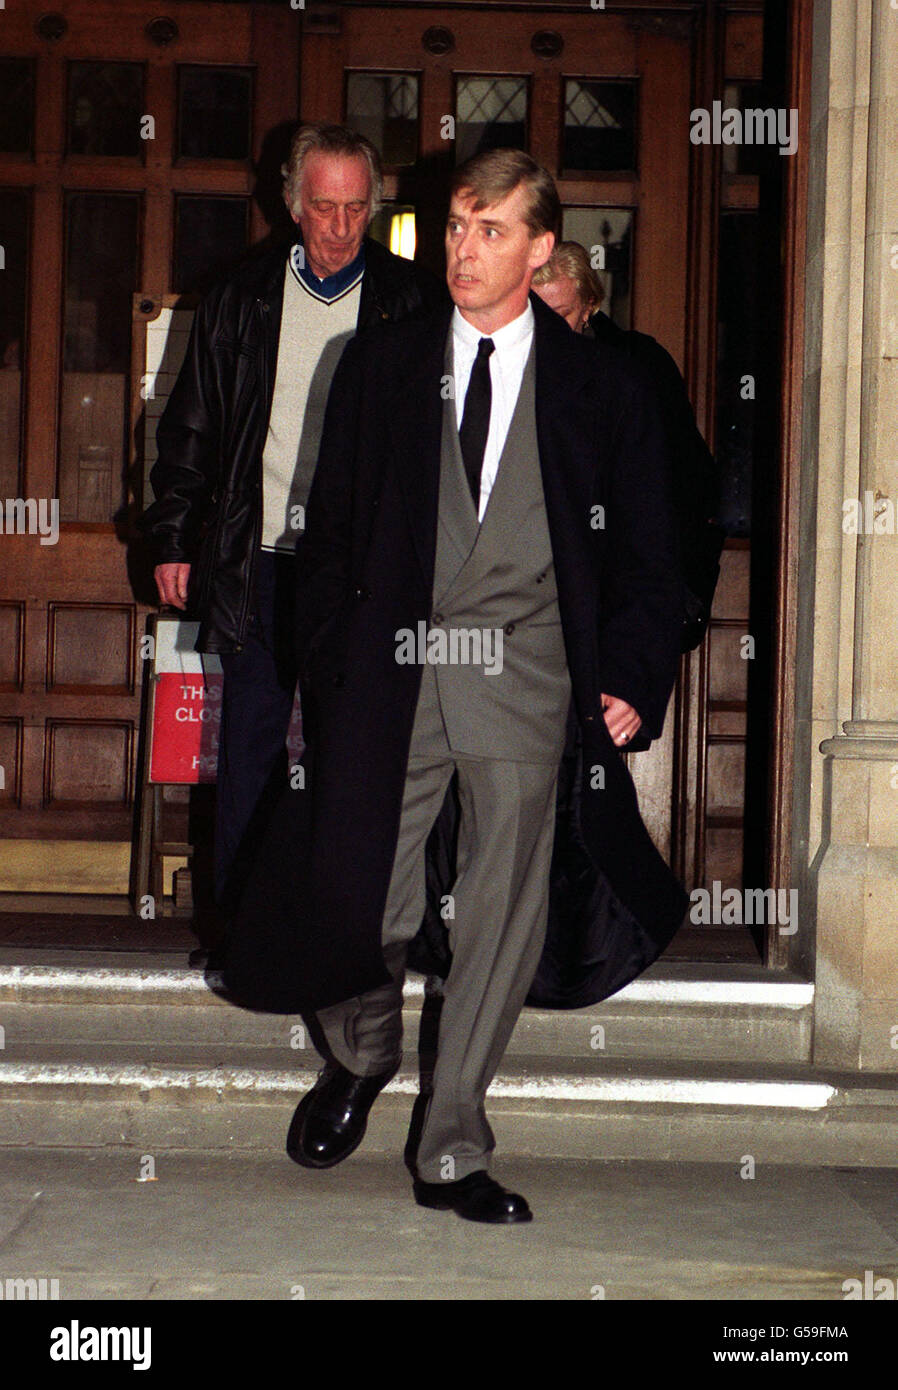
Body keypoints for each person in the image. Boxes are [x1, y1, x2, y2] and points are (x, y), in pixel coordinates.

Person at [222, 149, 689, 1224]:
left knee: (497, 918)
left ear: (538, 248)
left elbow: (649, 552)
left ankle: (450, 1148)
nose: (461, 250)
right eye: (452, 229)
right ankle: (363, 1054)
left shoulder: (600, 384)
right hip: (394, 676)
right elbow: (327, 535)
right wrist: (324, 670)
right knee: (358, 895)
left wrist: (627, 674)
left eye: (486, 232)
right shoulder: (379, 364)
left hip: (526, 678)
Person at [139, 123, 443, 908]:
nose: (340, 228)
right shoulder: (239, 298)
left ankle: (348, 920)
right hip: (260, 558)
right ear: (291, 205)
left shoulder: (412, 303)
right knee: (249, 743)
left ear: (372, 205)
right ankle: (241, 921)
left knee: (358, 747)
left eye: (354, 208)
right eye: (323, 207)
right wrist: (173, 540)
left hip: (363, 572)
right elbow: (192, 431)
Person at [533, 241, 724, 652]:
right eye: (536, 315)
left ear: (589, 306)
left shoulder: (639, 368)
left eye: (561, 315)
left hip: (617, 602)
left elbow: (688, 481)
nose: (547, 331)